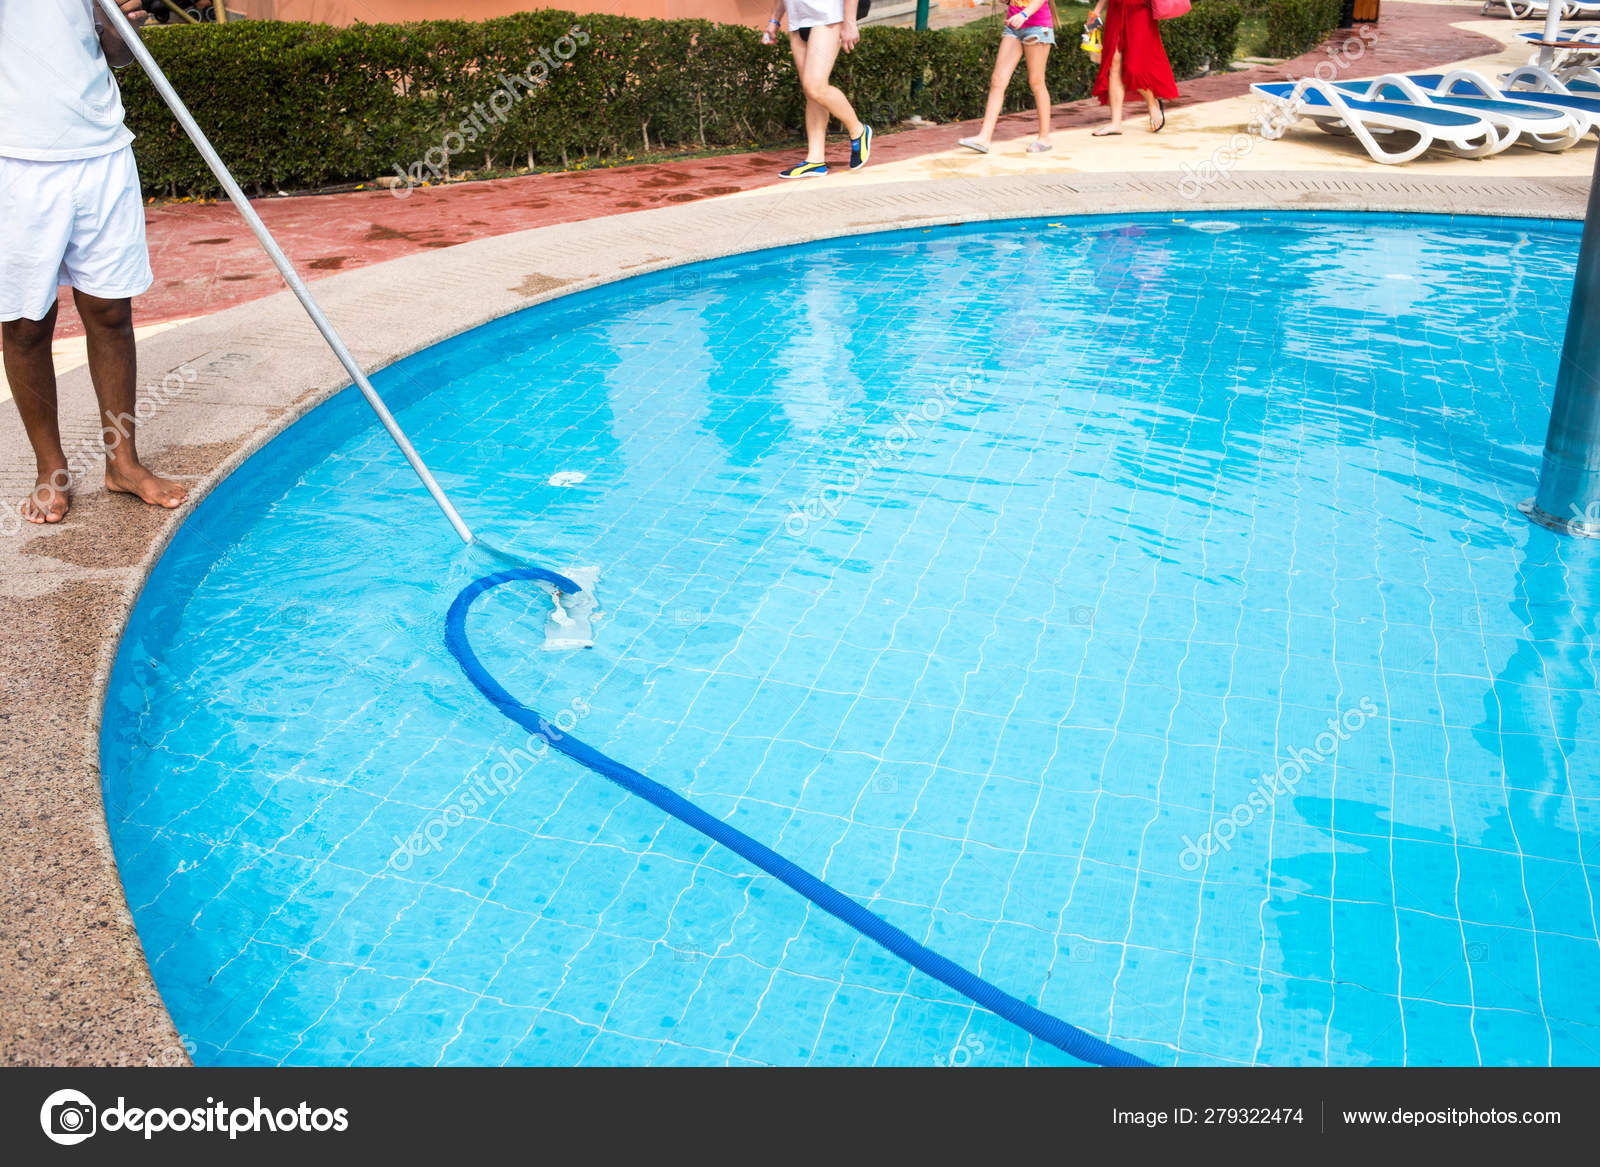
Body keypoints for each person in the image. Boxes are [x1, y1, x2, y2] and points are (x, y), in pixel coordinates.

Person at [0, 0, 187, 525]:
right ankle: (50, 469)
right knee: (23, 325)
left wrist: (121, 25)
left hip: (101, 150)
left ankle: (122, 463)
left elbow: (117, 53)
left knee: (110, 311)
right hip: (14, 157)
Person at [762, 1, 873, 178]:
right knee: (811, 92)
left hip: (827, 16)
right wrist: (774, 20)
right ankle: (815, 160)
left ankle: (858, 129)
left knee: (815, 86)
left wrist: (850, 22)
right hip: (798, 18)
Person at [957, 2, 1056, 155]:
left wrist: (1024, 14)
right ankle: (984, 138)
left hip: (1037, 26)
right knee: (998, 80)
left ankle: (1044, 138)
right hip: (1013, 27)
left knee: (1036, 82)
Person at [1087, 0, 1178, 136]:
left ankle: (1152, 104)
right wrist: (1097, 11)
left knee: (1134, 67)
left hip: (1140, 10)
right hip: (1115, 10)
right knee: (1113, 62)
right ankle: (1115, 123)